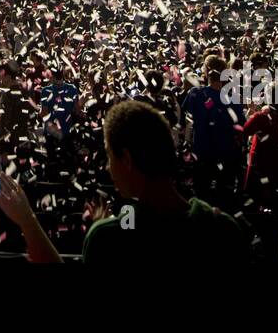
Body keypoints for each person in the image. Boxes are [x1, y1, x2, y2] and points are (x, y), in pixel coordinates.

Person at [82, 100, 247, 264]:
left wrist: (100, 229)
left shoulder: (106, 240)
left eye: (110, 157)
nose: (108, 168)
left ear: (127, 159)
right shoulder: (224, 230)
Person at [180, 55, 244, 205]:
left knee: (202, 196)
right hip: (226, 152)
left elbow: (184, 121)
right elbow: (241, 125)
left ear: (208, 71)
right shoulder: (233, 97)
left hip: (202, 151)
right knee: (224, 197)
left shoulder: (195, 94)